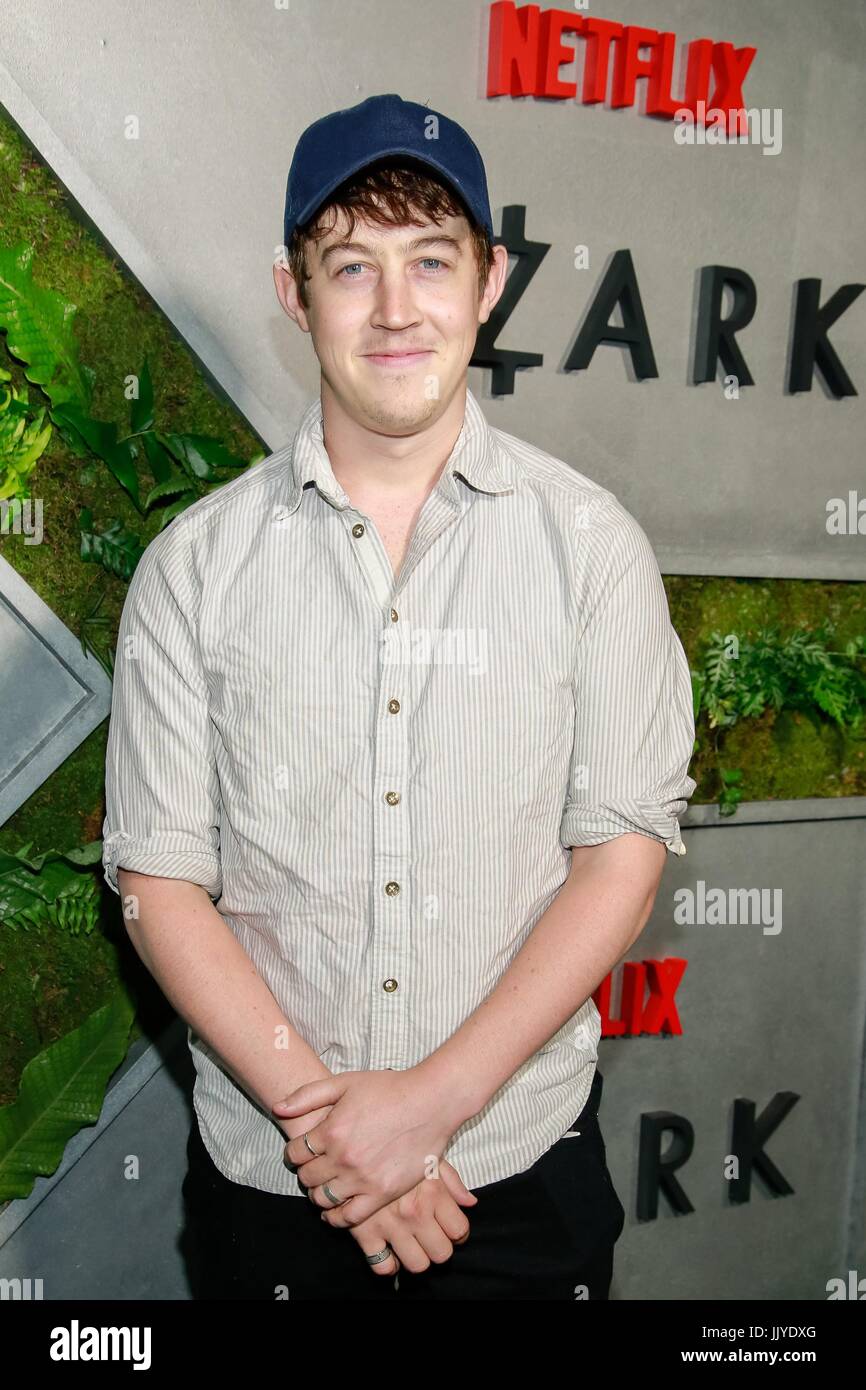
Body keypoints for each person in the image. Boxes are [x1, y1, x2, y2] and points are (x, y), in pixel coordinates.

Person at [102, 92, 697, 1301]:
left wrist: (425, 1105)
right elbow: (161, 879)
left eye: (431, 260)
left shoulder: (590, 546)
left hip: (518, 1181)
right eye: (348, 265)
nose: (392, 309)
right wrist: (338, 1132)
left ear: (490, 282)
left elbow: (619, 854)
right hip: (274, 1190)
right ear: (292, 291)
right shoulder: (196, 568)